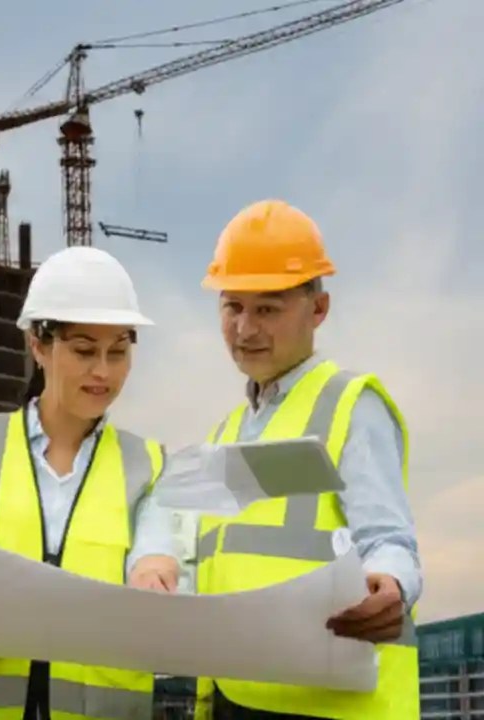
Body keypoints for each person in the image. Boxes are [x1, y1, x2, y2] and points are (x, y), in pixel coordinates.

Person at [0, 246, 183, 720]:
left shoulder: (147, 464)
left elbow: (158, 552)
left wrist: (157, 573)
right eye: (85, 350)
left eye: (119, 352)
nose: (103, 372)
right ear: (38, 345)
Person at [189, 199, 421, 719]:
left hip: (328, 704)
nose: (245, 329)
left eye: (267, 309)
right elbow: (208, 571)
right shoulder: (225, 434)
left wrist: (393, 585)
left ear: (319, 310)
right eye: (232, 307)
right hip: (237, 701)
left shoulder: (351, 406)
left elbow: (390, 541)